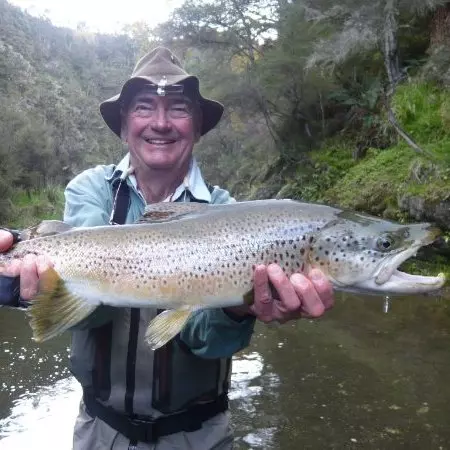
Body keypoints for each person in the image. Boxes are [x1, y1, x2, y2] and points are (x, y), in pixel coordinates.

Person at [0, 47, 334, 449]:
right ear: (124, 127)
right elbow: (90, 315)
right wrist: (27, 280)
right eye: (144, 108)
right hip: (99, 432)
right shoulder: (91, 190)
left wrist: (237, 307)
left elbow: (206, 341)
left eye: (178, 109)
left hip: (198, 436)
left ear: (196, 128)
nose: (160, 123)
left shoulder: (228, 213)